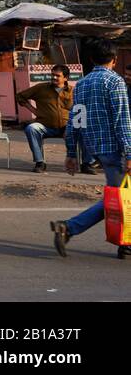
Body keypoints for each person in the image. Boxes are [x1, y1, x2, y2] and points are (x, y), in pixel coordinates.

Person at [51, 38, 131, 258]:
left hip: (97, 149)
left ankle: (125, 243)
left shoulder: (82, 84)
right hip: (117, 150)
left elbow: (75, 121)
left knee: (121, 195)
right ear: (114, 60)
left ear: (91, 59)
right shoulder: (115, 82)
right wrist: (130, 152)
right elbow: (122, 121)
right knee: (118, 196)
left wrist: (70, 153)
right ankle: (69, 227)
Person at [18, 65, 87, 173]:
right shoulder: (41, 88)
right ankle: (40, 162)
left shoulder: (74, 91)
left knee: (85, 129)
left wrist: (74, 124)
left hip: (67, 127)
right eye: (52, 75)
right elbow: (20, 97)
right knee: (31, 128)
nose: (54, 77)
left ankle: (86, 164)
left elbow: (82, 108)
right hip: (45, 126)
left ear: (66, 78)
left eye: (57, 76)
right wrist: (33, 110)